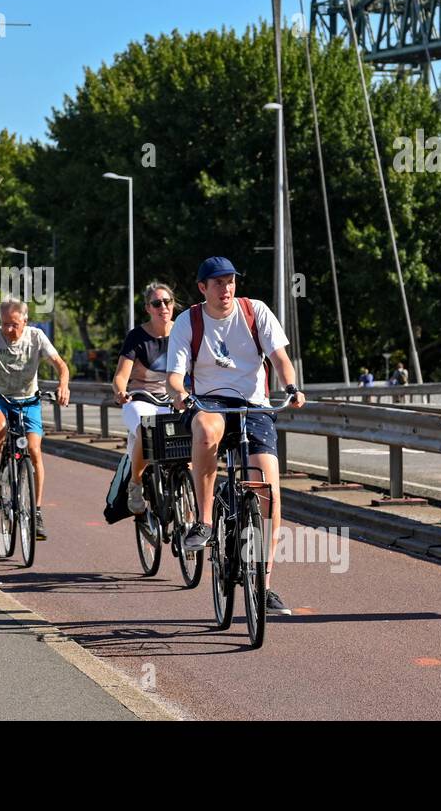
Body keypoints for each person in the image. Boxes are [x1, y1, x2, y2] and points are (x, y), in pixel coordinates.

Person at [165, 256, 306, 616]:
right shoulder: (189, 321)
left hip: (253, 405)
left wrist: (291, 386)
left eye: (230, 281)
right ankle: (206, 521)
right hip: (208, 401)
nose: (225, 289)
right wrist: (179, 393)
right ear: (202, 288)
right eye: (217, 283)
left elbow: (280, 357)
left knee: (268, 493)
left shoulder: (255, 311)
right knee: (207, 428)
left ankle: (265, 583)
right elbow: (175, 375)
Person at [0, 298, 70, 541]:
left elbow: (60, 365)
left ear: (25, 321)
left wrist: (63, 385)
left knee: (34, 451)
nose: (9, 330)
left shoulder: (36, 337)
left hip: (28, 400)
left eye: (14, 325)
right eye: (5, 324)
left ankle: (35, 511)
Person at [112, 283, 176, 515]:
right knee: (145, 428)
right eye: (157, 303)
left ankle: (188, 496)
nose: (163, 307)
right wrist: (121, 392)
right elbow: (120, 376)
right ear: (148, 308)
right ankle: (136, 484)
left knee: (193, 437)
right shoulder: (136, 337)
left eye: (167, 301)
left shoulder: (183, 332)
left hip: (174, 400)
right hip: (141, 398)